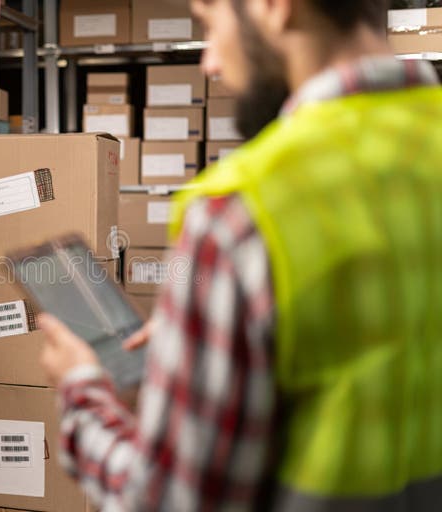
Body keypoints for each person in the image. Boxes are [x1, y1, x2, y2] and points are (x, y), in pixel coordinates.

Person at [38, 0, 442, 510]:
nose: (210, 61)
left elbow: (172, 499)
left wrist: (82, 390)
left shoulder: (241, 207)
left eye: (211, 24)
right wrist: (239, 332)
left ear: (274, 7)